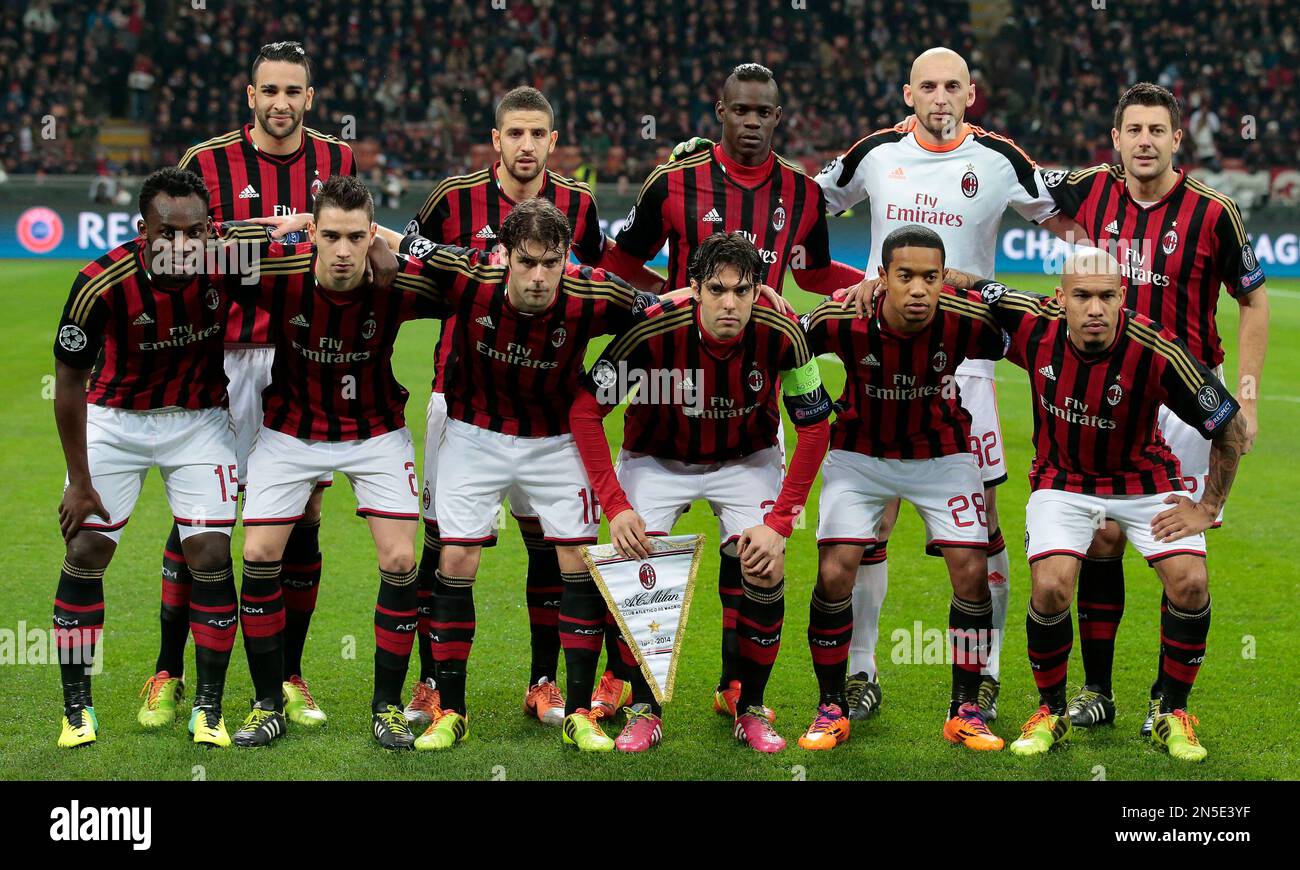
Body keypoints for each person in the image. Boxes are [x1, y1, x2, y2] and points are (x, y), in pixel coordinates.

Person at [810, 46, 1085, 721]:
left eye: (952, 87)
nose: (939, 97)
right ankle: (860, 674)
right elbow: (802, 200)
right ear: (909, 94)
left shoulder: (1000, 160)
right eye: (927, 86)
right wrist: (849, 285)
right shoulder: (875, 152)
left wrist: (1083, 271)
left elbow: (1068, 211)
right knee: (869, 523)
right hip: (879, 360)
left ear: (971, 94)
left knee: (982, 530)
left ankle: (982, 677)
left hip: (969, 367)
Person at [402, 86, 661, 730]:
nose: (524, 146)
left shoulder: (580, 203)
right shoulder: (454, 197)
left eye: (536, 135)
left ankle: (546, 682)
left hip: (548, 412)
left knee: (548, 549)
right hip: (456, 402)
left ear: (552, 140)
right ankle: (432, 686)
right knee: (444, 549)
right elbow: (412, 251)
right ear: (497, 139)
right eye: (513, 134)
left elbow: (603, 278)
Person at [950, 248, 1249, 763]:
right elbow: (970, 286)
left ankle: (1170, 713)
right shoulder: (1030, 321)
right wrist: (877, 287)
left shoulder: (1159, 350)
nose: (1095, 308)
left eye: (1107, 296)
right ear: (1060, 298)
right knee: (1050, 587)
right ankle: (1052, 711)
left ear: (1122, 297)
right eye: (1082, 296)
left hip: (1144, 479)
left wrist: (1207, 506)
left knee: (1191, 582)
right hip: (1062, 480)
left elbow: (1231, 427)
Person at [1043, 82, 1268, 734]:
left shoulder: (1213, 212)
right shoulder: (1089, 188)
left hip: (1189, 402)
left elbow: (1253, 300)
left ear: (1177, 139)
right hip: (1108, 390)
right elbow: (1023, 193)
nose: (1144, 140)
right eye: (1133, 129)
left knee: (1182, 555)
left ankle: (1168, 704)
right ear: (1115, 140)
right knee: (1104, 536)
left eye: (1156, 130)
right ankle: (1096, 692)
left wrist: (1244, 396)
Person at [570, 231, 833, 752]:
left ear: (760, 292)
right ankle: (644, 707)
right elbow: (586, 409)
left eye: (742, 291)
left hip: (745, 458)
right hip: (658, 457)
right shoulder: (652, 331)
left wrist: (780, 523)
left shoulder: (783, 333)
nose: (730, 303)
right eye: (716, 289)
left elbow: (816, 426)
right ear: (694, 289)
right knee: (638, 561)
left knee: (763, 563)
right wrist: (617, 505)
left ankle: (746, 703)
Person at [229, 176, 448, 750]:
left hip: (375, 430)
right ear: (314, 235)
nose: (345, 250)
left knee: (401, 558)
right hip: (290, 430)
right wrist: (290, 224)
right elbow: (208, 247)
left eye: (356, 236)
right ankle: (266, 702)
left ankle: (387, 708)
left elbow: (469, 274)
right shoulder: (280, 273)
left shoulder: (394, 284)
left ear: (369, 234)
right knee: (257, 554)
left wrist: (399, 244)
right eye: (330, 235)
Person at [800, 225, 1009, 751]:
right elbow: (785, 344)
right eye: (906, 276)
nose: (918, 289)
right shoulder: (842, 317)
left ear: (944, 279)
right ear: (883, 278)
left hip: (941, 451)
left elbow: (1028, 331)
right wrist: (811, 407)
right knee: (834, 569)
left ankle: (964, 709)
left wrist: (972, 283)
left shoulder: (966, 319)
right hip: (860, 452)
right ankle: (832, 706)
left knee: (971, 569)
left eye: (931, 278)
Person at [52, 168, 240, 749]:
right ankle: (76, 709)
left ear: (209, 229)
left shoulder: (229, 259)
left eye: (194, 232)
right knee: (86, 548)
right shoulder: (98, 283)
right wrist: (80, 481)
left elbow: (300, 253)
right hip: (116, 420)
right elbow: (67, 382)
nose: (182, 246)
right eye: (167, 234)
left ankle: (208, 708)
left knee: (209, 553)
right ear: (143, 230)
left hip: (198, 419)